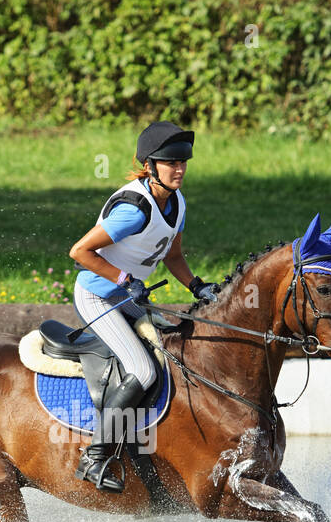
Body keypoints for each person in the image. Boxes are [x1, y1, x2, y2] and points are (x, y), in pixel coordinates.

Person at [67, 120, 219, 492]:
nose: (179, 169)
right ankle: (95, 457)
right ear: (150, 166)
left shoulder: (177, 202)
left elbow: (174, 254)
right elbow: (79, 252)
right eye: (171, 163)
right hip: (97, 296)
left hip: (126, 294)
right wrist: (124, 280)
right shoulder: (133, 211)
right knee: (143, 369)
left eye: (183, 162)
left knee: (173, 350)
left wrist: (197, 285)